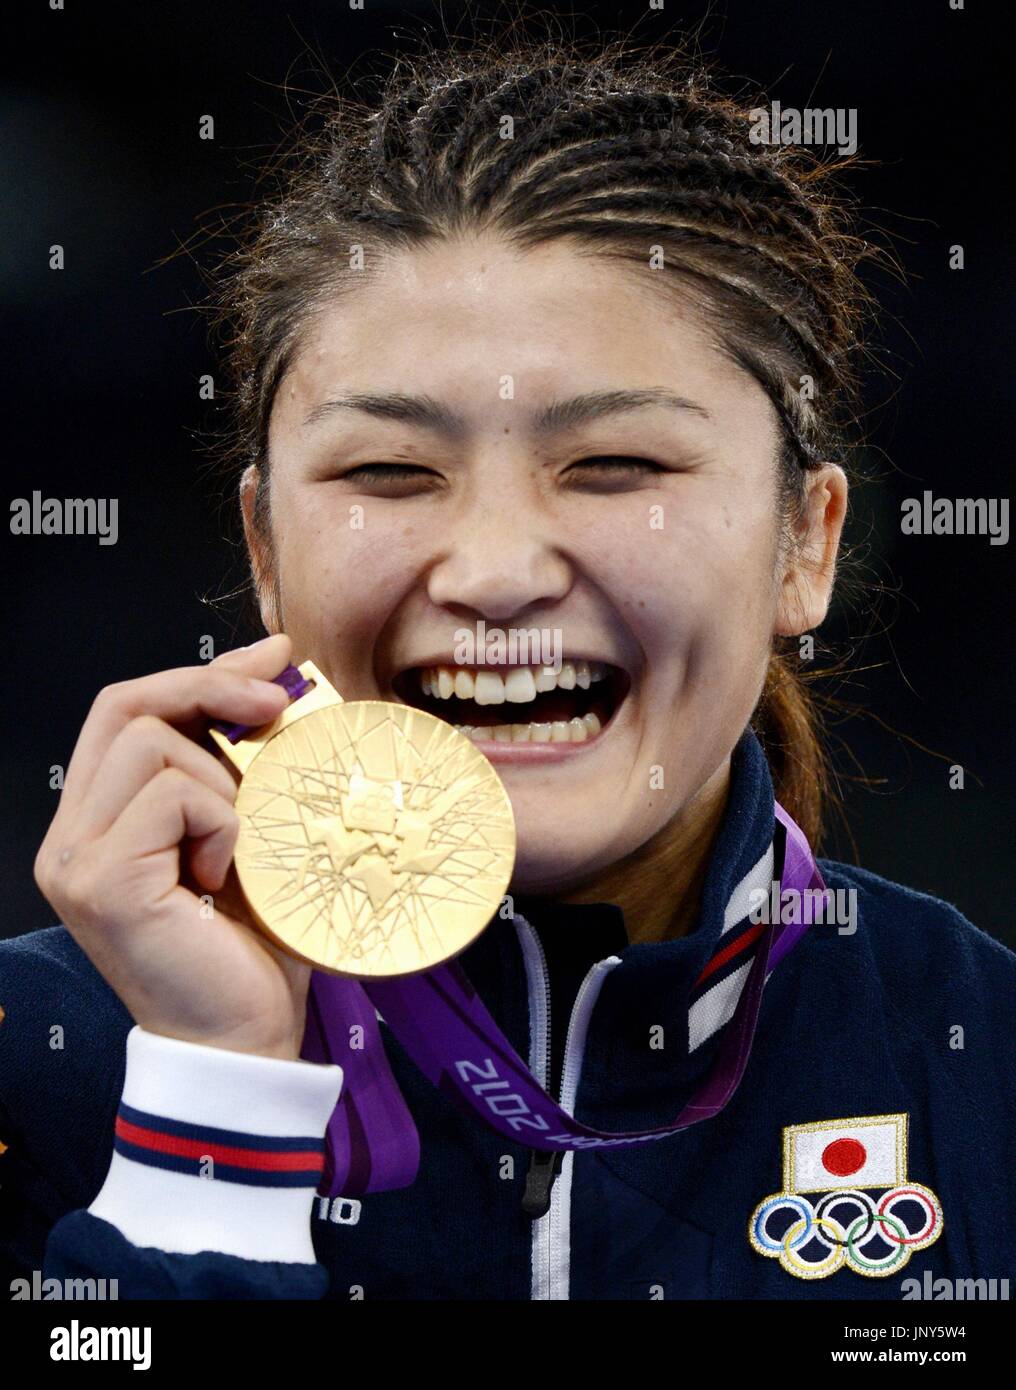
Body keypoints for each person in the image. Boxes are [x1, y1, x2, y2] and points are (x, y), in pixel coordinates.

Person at [2, 32, 1014, 1302]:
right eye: (388, 473)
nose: (490, 570)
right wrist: (216, 1102)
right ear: (266, 550)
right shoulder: (36, 1059)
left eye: (614, 466)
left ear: (801, 547)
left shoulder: (980, 1063)